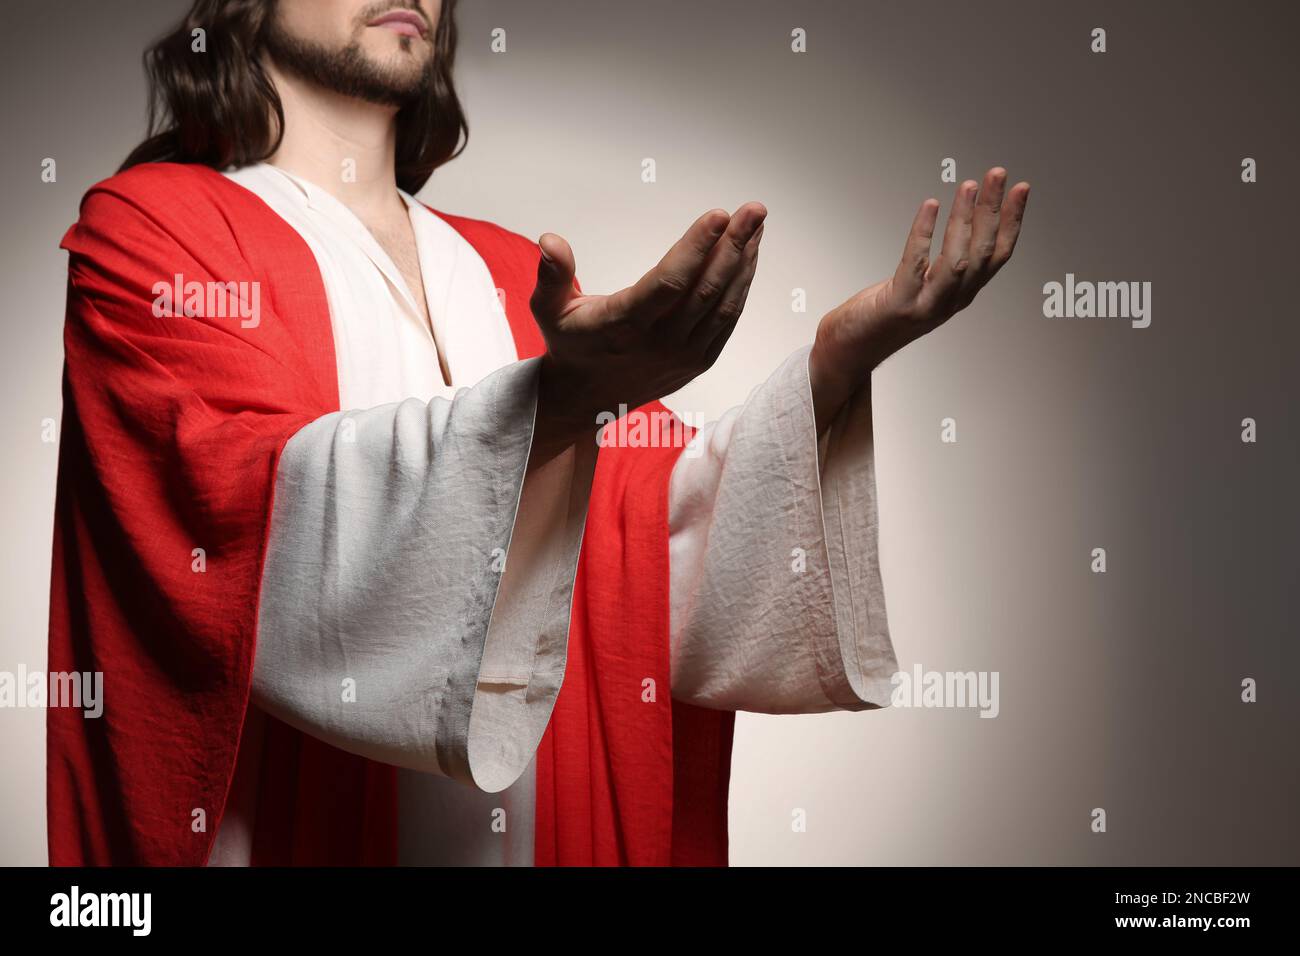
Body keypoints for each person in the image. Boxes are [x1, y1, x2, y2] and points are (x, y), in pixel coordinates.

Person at [47, 0, 1029, 866]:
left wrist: (828, 372)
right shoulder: (156, 231)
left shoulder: (506, 268)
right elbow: (230, 505)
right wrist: (552, 410)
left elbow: (649, 538)